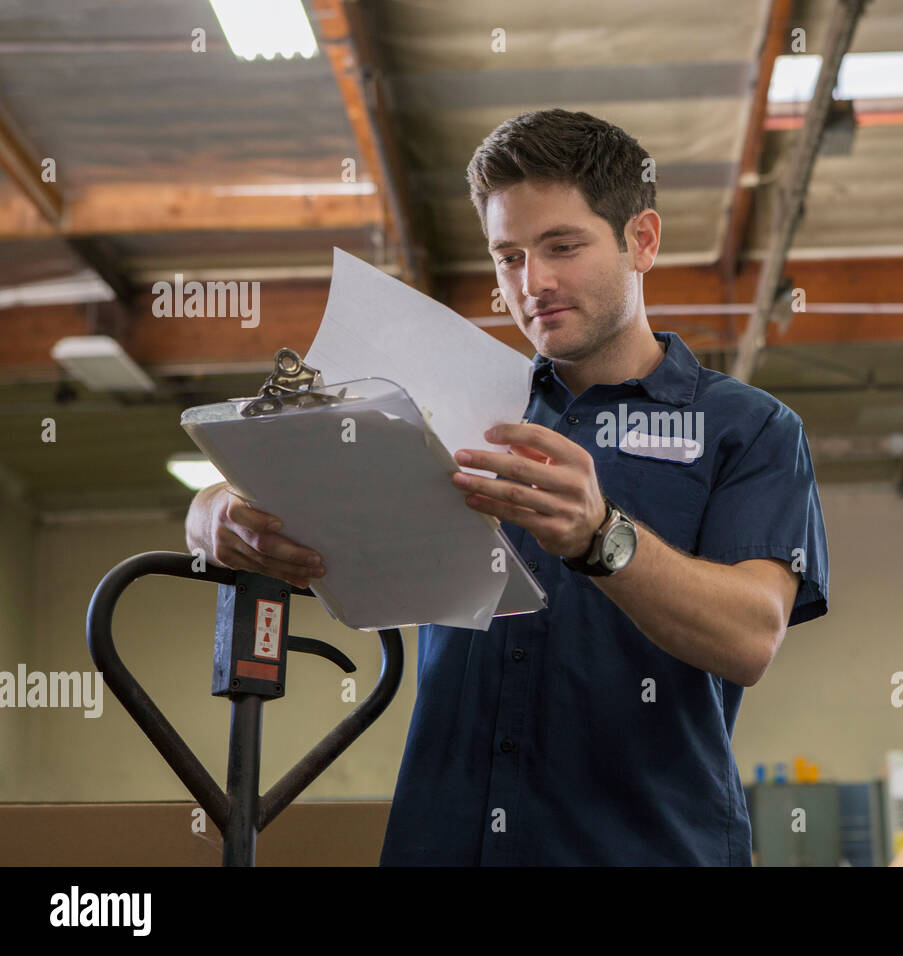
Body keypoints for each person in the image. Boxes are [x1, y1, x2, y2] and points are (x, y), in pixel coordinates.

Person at [184, 108, 830, 865]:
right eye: (509, 256)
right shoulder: (449, 402)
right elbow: (296, 510)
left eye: (563, 246)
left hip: (647, 849)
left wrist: (603, 539)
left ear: (642, 240)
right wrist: (213, 516)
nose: (535, 283)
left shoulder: (748, 430)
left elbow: (751, 636)